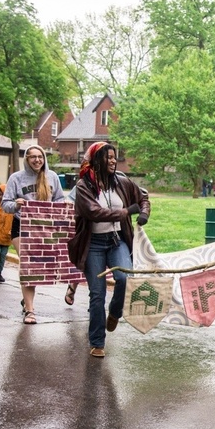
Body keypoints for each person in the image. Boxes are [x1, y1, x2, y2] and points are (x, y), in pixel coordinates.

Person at [71, 142, 150, 358]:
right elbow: (94, 212)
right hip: (93, 244)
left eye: (115, 157)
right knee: (97, 295)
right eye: (109, 157)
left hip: (117, 241)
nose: (114, 161)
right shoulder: (83, 186)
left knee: (124, 278)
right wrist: (125, 212)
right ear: (97, 160)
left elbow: (143, 198)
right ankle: (97, 342)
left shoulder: (122, 183)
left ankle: (115, 312)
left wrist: (143, 213)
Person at [2, 145, 65, 323]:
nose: (37, 160)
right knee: (28, 265)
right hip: (21, 226)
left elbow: (59, 199)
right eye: (33, 157)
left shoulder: (52, 177)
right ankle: (30, 310)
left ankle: (26, 299)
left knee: (35, 269)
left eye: (40, 157)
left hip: (43, 228)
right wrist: (16, 204)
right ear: (26, 159)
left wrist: (57, 208)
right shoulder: (16, 178)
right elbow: (5, 204)